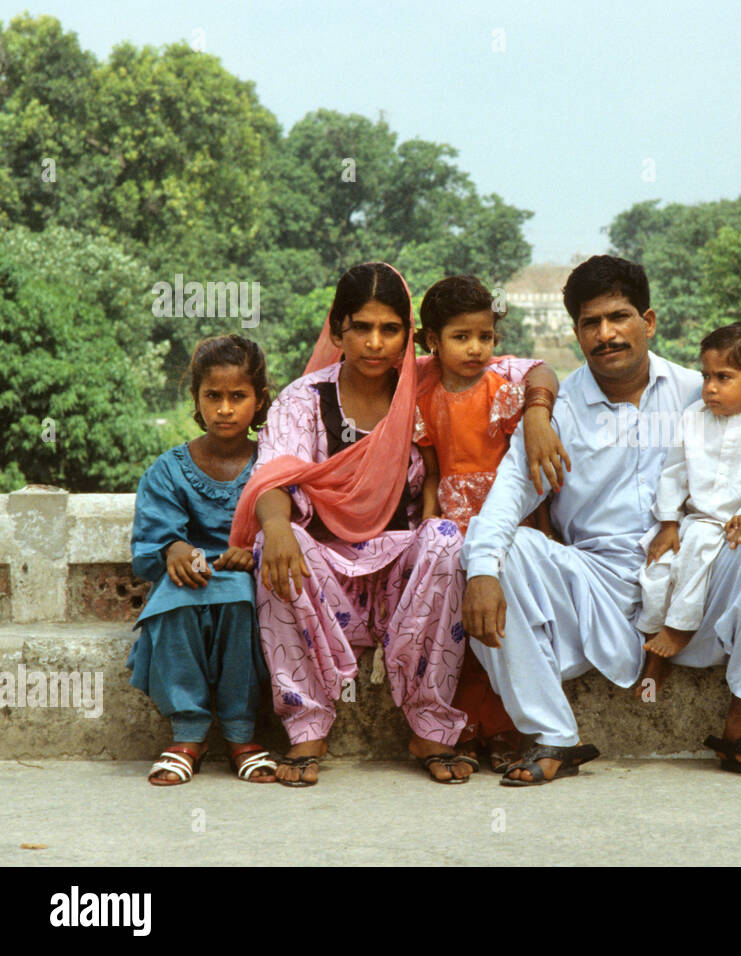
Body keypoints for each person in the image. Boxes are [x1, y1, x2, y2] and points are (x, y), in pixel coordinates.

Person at [462, 256, 741, 786]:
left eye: (619, 317)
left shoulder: (701, 391)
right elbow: (507, 496)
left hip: (695, 578)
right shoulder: (559, 411)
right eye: (590, 323)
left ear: (649, 321)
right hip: (593, 583)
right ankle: (554, 736)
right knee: (497, 555)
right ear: (576, 333)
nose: (606, 334)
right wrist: (480, 571)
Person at [229, 262, 561, 787]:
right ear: (338, 330)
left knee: (447, 539)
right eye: (361, 327)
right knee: (282, 539)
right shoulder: (305, 398)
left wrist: (538, 415)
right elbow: (274, 477)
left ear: (411, 337)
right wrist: (273, 529)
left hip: (402, 575)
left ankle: (430, 724)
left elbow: (534, 369)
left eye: (390, 329)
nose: (375, 343)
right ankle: (307, 726)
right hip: (325, 578)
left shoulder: (425, 381)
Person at [413, 274, 569, 772]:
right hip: (452, 522)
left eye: (485, 337)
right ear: (433, 341)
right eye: (461, 337)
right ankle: (461, 728)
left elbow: (524, 471)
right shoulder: (423, 399)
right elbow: (433, 474)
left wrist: (539, 527)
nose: (476, 348)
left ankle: (504, 727)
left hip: (499, 522)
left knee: (498, 624)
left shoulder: (503, 392)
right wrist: (429, 526)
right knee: (457, 627)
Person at [129, 335, 276, 786]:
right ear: (196, 399)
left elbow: (295, 528)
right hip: (187, 581)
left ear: (259, 401)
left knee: (237, 598)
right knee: (173, 602)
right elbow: (152, 542)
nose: (225, 409)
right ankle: (187, 735)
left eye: (238, 396)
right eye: (213, 396)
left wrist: (254, 554)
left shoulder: (272, 464)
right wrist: (173, 548)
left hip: (245, 583)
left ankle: (240, 733)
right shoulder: (169, 469)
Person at [638, 321, 741, 692]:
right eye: (706, 375)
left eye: (723, 377)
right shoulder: (693, 417)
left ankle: (676, 632)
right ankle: (652, 651)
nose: (709, 387)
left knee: (697, 551)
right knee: (656, 571)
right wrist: (667, 524)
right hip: (694, 520)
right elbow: (674, 473)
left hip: (736, 530)